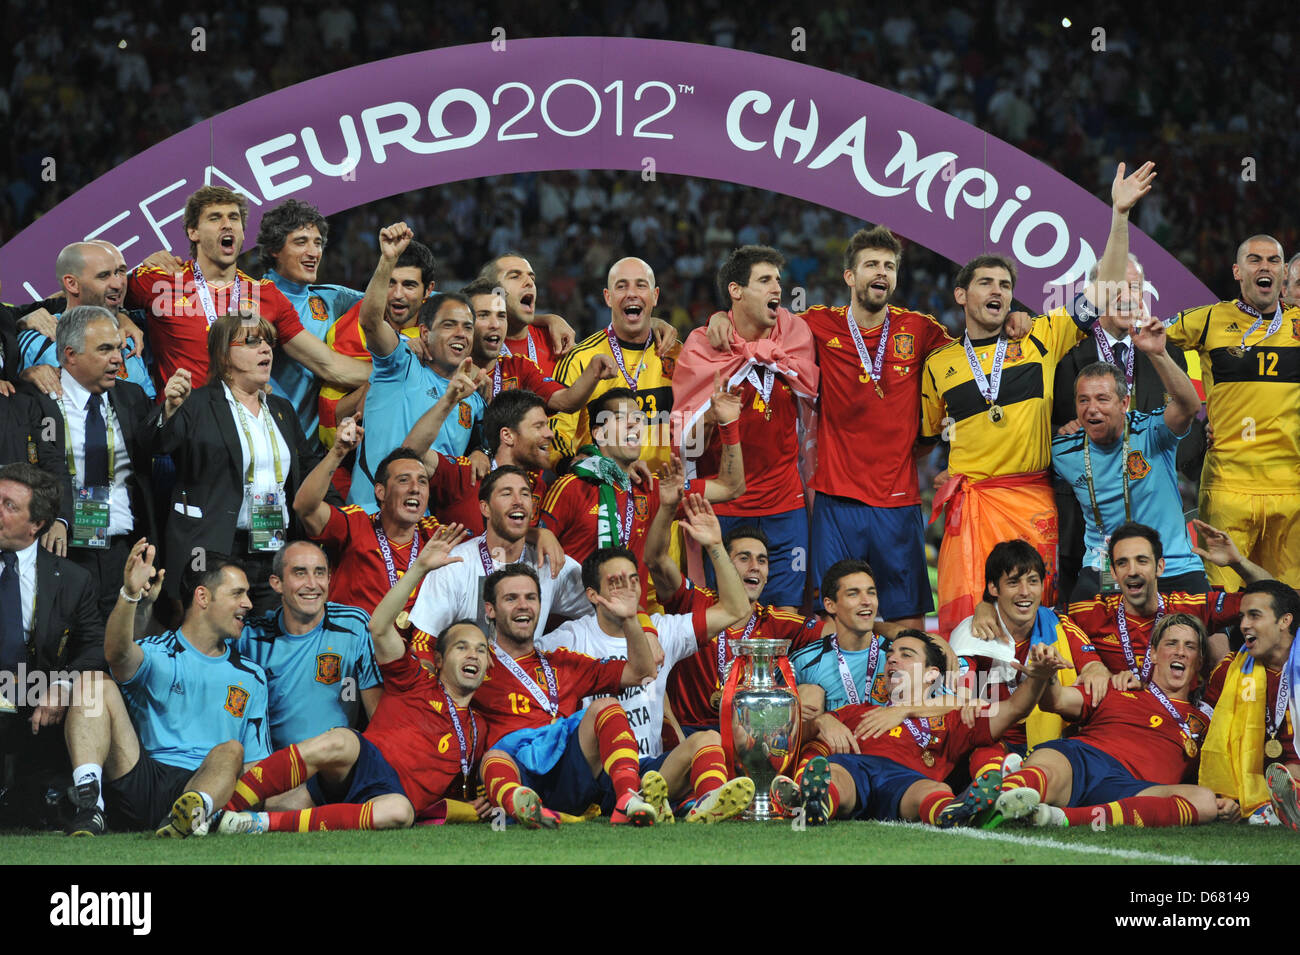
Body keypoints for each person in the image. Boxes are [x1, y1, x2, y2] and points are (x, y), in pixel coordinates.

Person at [920, 164, 1154, 633]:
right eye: (987, 283)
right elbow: (924, 439)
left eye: (1006, 285)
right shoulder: (939, 363)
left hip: (1031, 500)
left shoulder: (1042, 336)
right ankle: (970, 707)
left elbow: (1103, 289)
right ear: (962, 294)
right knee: (969, 627)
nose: (999, 291)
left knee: (1033, 618)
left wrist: (1120, 215)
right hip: (976, 505)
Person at [215, 525, 488, 833]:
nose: (472, 655)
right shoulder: (414, 680)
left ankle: (257, 823)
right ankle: (224, 810)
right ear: (438, 660)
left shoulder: (479, 728)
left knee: (400, 813)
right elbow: (380, 627)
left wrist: (475, 805)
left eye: (481, 650)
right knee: (343, 739)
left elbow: (456, 783)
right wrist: (420, 568)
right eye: (461, 647)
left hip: (388, 795)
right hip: (357, 765)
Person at [537, 497, 756, 822]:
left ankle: (707, 806)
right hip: (595, 773)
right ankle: (669, 802)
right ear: (592, 596)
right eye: (615, 582)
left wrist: (714, 545)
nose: (627, 588)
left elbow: (736, 610)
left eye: (633, 579)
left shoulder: (663, 630)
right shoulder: (569, 639)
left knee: (707, 739)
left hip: (646, 771)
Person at [61, 540, 269, 837]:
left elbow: (254, 764)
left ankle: (189, 814)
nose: (248, 603)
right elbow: (117, 654)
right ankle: (89, 806)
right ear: (203, 597)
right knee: (93, 683)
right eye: (238, 593)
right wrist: (130, 594)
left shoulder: (252, 676)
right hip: (141, 776)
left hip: (202, 783)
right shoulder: (157, 652)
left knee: (233, 750)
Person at [775, 631, 1067, 826]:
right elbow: (796, 735)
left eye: (906, 654)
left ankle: (953, 812)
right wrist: (821, 720)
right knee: (833, 774)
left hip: (909, 781)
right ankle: (818, 803)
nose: (892, 658)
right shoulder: (859, 710)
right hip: (856, 766)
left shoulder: (954, 716)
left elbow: (1014, 709)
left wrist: (1039, 677)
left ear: (931, 674)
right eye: (891, 654)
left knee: (934, 790)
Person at [987, 614, 1235, 829]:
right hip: (1083, 760)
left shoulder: (1205, 720)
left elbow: (1216, 770)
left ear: (1200, 661)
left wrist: (1224, 800)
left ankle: (1058, 817)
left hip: (1136, 790)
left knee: (1204, 801)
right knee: (1049, 770)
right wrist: (1046, 674)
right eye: (1172, 643)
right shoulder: (1117, 687)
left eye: (1190, 646)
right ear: (1154, 654)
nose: (1180, 651)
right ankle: (994, 801)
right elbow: (1057, 701)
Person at [1051, 251, 1203, 601]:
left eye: (1133, 287)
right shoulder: (1065, 353)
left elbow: (1188, 421)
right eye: (1114, 288)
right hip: (1087, 527)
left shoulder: (1169, 354)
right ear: (1095, 293)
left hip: (1155, 510)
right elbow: (1049, 426)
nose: (1125, 297)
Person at [674, 245, 818, 611]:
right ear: (736, 291)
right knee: (727, 612)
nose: (778, 289)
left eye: (779, 281)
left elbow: (812, 390)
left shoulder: (794, 335)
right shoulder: (704, 345)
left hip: (786, 506)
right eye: (765, 280)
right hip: (724, 507)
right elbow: (685, 443)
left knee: (786, 612)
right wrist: (710, 416)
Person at [125, 185, 369, 396]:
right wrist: (119, 317)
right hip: (180, 434)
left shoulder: (266, 296)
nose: (226, 225)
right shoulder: (159, 280)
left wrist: (401, 372)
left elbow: (329, 366)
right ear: (193, 232)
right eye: (215, 218)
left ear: (243, 233)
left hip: (243, 435)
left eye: (234, 218)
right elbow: (97, 297)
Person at [647, 455, 828, 736]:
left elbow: (839, 640)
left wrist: (815, 691)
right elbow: (656, 559)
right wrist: (667, 509)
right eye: (744, 558)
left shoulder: (778, 623)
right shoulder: (692, 602)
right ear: (724, 563)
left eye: (762, 561)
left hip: (752, 741)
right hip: (688, 735)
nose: (755, 566)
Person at [153, 312, 320, 615]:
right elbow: (155, 446)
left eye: (268, 343)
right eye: (252, 342)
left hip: (273, 548)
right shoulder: (196, 404)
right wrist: (169, 410)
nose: (266, 349)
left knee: (268, 637)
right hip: (216, 546)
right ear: (223, 355)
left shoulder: (282, 409)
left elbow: (307, 470)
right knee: (216, 642)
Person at [24, 306, 184, 617]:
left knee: (122, 650)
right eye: (105, 349)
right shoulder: (37, 401)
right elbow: (31, 471)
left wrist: (169, 412)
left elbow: (155, 449)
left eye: (119, 348)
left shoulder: (132, 396)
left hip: (124, 550)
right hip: (64, 549)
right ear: (70, 355)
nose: (118, 359)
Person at [475, 563, 662, 827]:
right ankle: (523, 808)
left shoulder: (562, 662)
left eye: (531, 598)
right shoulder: (478, 664)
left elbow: (643, 672)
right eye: (511, 598)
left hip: (567, 776)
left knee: (606, 705)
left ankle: (628, 800)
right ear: (490, 610)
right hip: (516, 775)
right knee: (494, 759)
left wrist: (631, 619)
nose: (523, 605)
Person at [1166, 233, 1300, 590]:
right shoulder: (1209, 319)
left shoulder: (1298, 324)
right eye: (1255, 260)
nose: (1265, 267)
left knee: (1288, 603)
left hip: (1291, 487)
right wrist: (1176, 411)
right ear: (1238, 271)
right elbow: (1146, 342)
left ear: (1284, 272)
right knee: (1224, 602)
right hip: (1229, 484)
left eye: (1273, 260)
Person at [541, 386, 744, 597]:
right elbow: (531, 552)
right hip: (571, 622)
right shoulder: (571, 486)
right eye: (621, 418)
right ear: (599, 433)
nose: (633, 424)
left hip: (630, 622)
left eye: (638, 418)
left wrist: (728, 424)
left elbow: (731, 487)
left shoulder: (654, 489)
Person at [348, 223, 486, 510]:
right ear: (425, 333)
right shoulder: (400, 363)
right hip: (371, 519)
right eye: (449, 325)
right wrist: (386, 260)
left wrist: (481, 450)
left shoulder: (473, 398)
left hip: (429, 530)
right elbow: (370, 322)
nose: (460, 334)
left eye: (467, 327)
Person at [953, 540, 1108, 780]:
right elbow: (959, 696)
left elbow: (1095, 668)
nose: (1025, 591)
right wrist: (966, 701)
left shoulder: (1060, 626)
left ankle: (1020, 785)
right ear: (994, 588)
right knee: (983, 746)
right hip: (994, 740)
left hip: (1052, 744)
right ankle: (993, 788)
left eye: (1033, 581)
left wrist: (1096, 674)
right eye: (1013, 582)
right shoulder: (972, 634)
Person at [0, 463, 104, 818]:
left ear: (36, 525)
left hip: (34, 693)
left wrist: (61, 684)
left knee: (95, 693)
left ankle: (88, 803)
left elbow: (94, 646)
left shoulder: (73, 580)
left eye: (9, 505)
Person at [408, 466, 583, 655]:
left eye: (524, 494)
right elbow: (423, 646)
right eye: (506, 494)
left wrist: (550, 645)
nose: (518, 501)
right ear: (485, 508)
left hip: (526, 680)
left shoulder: (550, 563)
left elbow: (605, 610)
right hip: (470, 681)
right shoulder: (455, 565)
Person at [1067, 521, 1264, 679]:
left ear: (1160, 567)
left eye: (1142, 561)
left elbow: (1275, 598)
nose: (1132, 571)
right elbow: (1050, 626)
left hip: (1180, 722)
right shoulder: (1090, 612)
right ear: (1113, 573)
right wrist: (1091, 664)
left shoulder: (1189, 607)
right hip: (1117, 721)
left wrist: (1239, 563)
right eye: (1122, 563)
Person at [234, 540, 381, 750]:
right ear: (277, 583)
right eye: (300, 573)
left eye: (320, 573)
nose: (312, 584)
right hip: (273, 768)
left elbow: (377, 716)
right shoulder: (250, 636)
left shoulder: (354, 626)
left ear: (330, 579)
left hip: (335, 767)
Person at [295, 421, 444, 615]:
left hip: (415, 644)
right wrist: (337, 453)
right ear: (381, 492)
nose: (415, 488)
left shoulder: (434, 535)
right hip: (354, 643)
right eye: (403, 480)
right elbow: (305, 507)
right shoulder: (356, 525)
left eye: (422, 481)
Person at [550, 257, 682, 471]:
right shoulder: (581, 358)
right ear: (608, 297)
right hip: (606, 492)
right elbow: (556, 430)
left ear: (655, 296)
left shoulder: (676, 355)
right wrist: (575, 467)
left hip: (664, 491)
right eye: (621, 286)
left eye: (641, 285)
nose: (632, 293)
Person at [257, 198, 364, 447]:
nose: (313, 252)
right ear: (275, 249)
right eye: (300, 242)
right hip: (267, 443)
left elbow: (390, 302)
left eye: (317, 243)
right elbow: (331, 368)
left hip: (313, 450)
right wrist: (393, 372)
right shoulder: (256, 300)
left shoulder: (331, 298)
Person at [316, 236, 434, 454]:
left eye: (409, 285)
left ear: (428, 291)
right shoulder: (353, 328)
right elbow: (330, 419)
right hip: (355, 456)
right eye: (390, 282)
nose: (398, 294)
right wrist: (396, 361)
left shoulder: (444, 324)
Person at [1200, 579, 1300, 826]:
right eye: (1242, 616)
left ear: (1284, 621)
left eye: (1255, 616)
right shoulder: (1230, 670)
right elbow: (1208, 732)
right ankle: (1278, 804)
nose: (1244, 625)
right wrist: (1225, 795)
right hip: (1253, 785)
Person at [18, 241, 155, 399]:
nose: (118, 284)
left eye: (119, 272)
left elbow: (148, 408)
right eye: (103, 276)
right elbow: (15, 407)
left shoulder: (130, 339)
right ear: (72, 284)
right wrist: (23, 378)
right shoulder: (37, 342)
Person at [417, 388, 554, 532]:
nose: (550, 433)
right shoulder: (467, 474)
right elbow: (413, 455)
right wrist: (447, 402)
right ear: (508, 436)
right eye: (538, 426)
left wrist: (538, 535)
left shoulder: (537, 487)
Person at [476, 252, 580, 377]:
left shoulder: (557, 340)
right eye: (515, 276)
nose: (529, 282)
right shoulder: (472, 344)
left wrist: (553, 318)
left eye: (532, 278)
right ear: (490, 291)